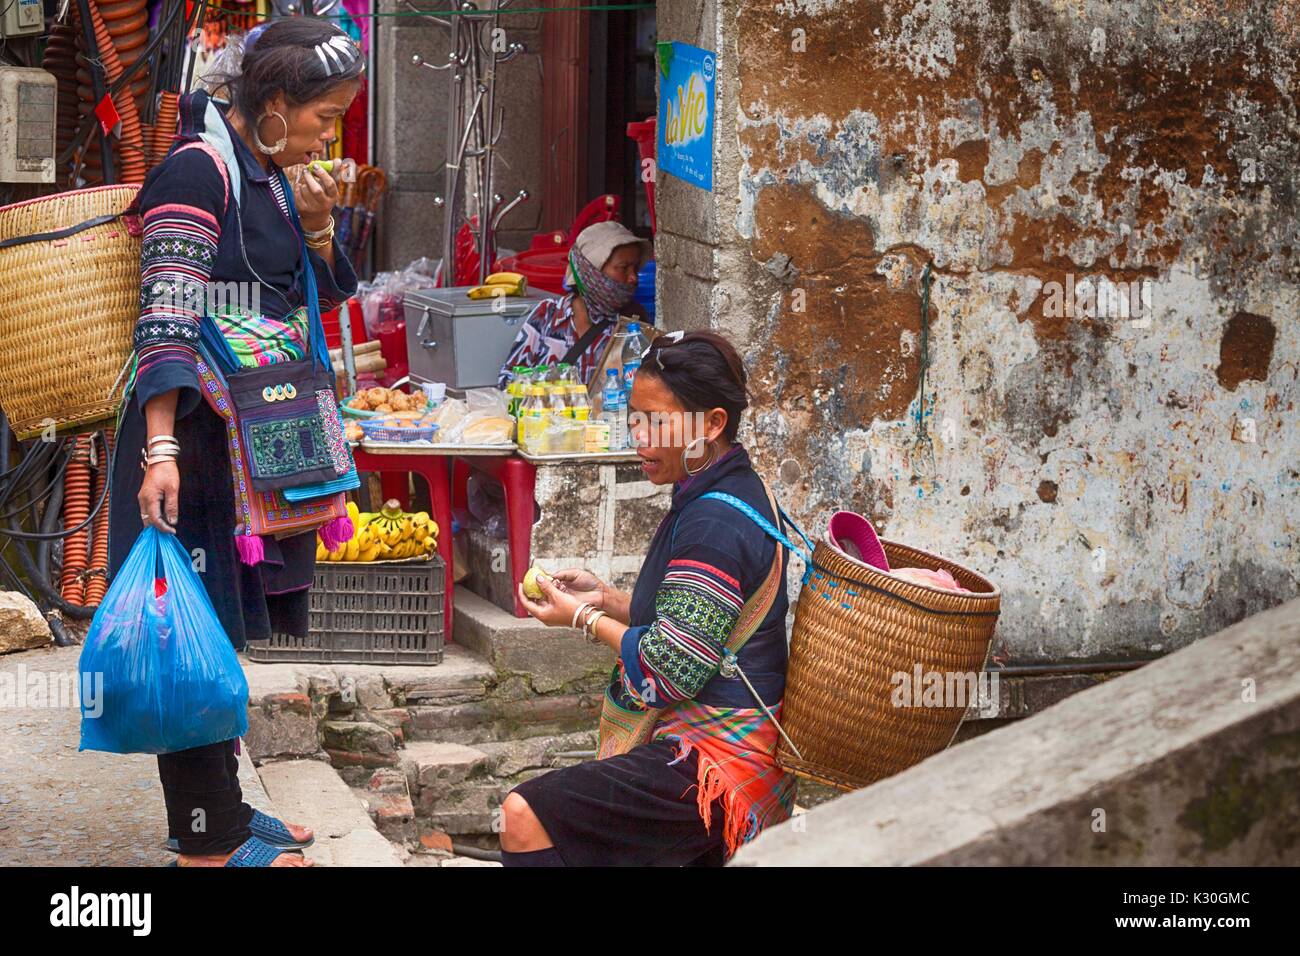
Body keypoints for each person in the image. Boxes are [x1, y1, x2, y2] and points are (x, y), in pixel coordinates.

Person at [106, 19, 364, 867]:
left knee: (217, 635)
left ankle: (225, 806)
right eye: (326, 116)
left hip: (244, 443)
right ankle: (207, 843)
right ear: (276, 104)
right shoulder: (197, 168)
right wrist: (160, 451)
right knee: (189, 640)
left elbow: (303, 304)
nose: (332, 134)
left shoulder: (271, 177)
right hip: (188, 441)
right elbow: (168, 313)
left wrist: (322, 225)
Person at [505, 331, 797, 865]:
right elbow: (704, 624)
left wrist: (585, 618)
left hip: (717, 766)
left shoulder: (714, 519)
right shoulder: (734, 488)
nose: (640, 437)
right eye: (634, 417)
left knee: (525, 814)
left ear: (712, 425)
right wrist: (612, 599)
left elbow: (670, 669)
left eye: (658, 422)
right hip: (722, 755)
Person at [495, 220, 652, 388]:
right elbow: (507, 379)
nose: (633, 277)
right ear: (591, 271)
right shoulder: (547, 315)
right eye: (624, 268)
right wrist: (546, 389)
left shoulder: (633, 325)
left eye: (635, 268)